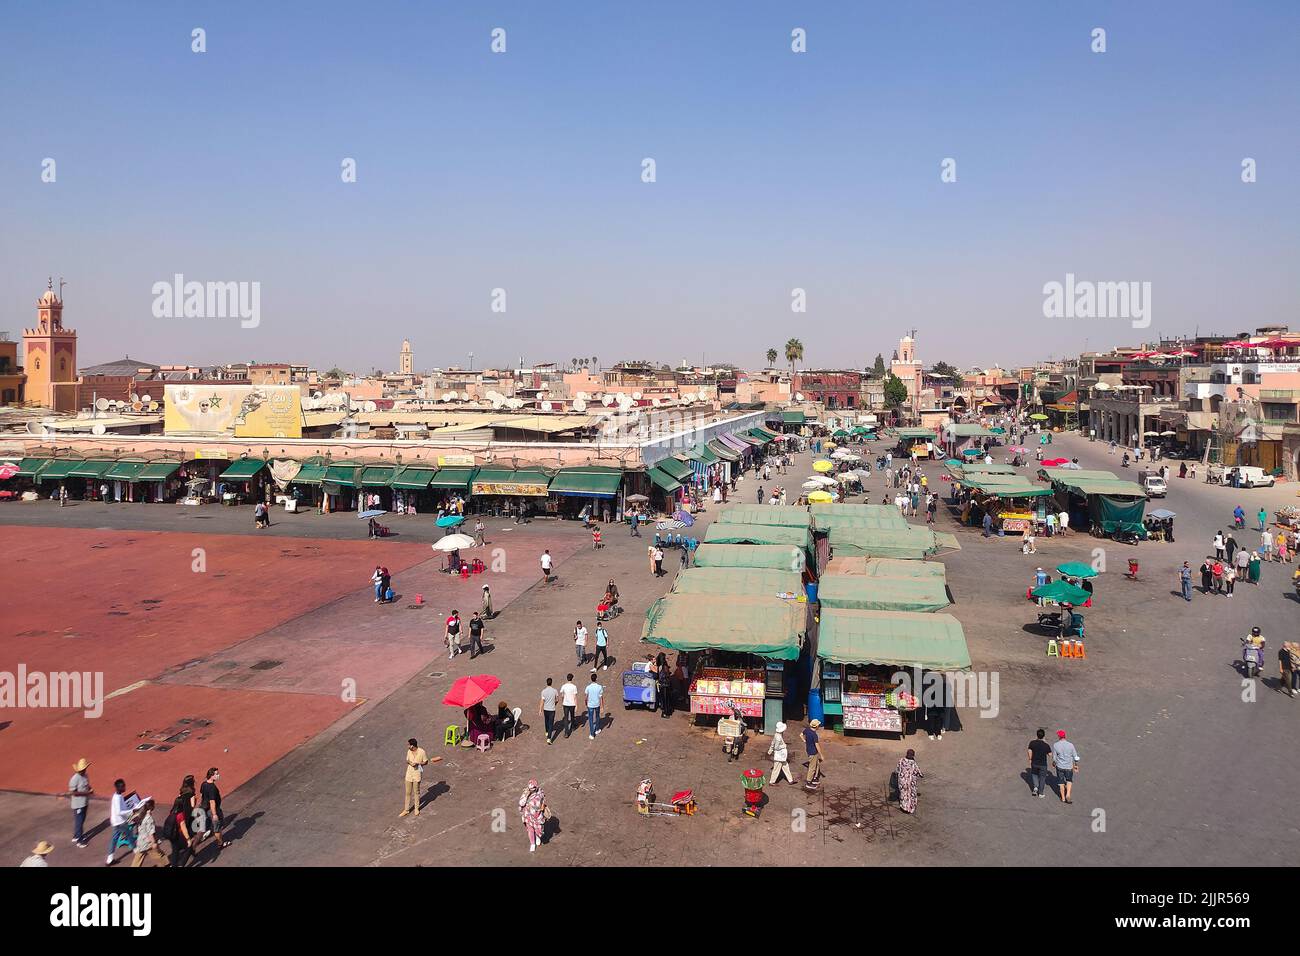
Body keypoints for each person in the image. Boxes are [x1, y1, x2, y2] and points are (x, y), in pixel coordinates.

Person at [401, 738, 439, 817]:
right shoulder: (409, 752)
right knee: (407, 793)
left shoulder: (422, 752)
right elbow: (407, 760)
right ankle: (406, 810)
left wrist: (418, 763)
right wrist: (410, 762)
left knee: (416, 792)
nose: (407, 746)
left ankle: (416, 809)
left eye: (408, 745)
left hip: (417, 774)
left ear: (412, 746)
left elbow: (426, 762)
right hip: (409, 774)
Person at [65, 758, 92, 848]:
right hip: (78, 804)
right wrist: (86, 793)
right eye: (81, 770)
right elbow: (73, 793)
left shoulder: (85, 775)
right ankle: (80, 841)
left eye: (84, 769)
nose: (83, 771)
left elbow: (87, 785)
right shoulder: (74, 779)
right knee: (79, 821)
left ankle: (76, 836)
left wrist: (90, 789)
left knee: (81, 820)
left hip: (84, 802)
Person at [1051, 730, 1080, 804]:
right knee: (1069, 780)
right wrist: (1076, 765)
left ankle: (1063, 798)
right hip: (1069, 767)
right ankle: (1068, 794)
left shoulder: (1056, 745)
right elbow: (1075, 757)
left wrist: (1054, 764)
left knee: (1061, 782)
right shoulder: (1070, 745)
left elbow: (1054, 758)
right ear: (1065, 736)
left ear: (1059, 736)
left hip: (1060, 766)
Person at [518, 780, 548, 853]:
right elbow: (521, 803)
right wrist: (526, 796)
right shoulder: (526, 793)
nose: (531, 789)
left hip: (537, 816)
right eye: (529, 788)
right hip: (528, 815)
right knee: (530, 830)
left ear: (536, 788)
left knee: (539, 830)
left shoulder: (540, 793)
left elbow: (539, 804)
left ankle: (538, 837)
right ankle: (532, 843)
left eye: (532, 788)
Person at [1027, 729, 1051, 797]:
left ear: (1037, 735)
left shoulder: (1032, 743)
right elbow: (1050, 754)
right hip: (1043, 764)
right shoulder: (1046, 745)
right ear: (1044, 736)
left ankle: (1035, 787)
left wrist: (1030, 759)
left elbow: (1029, 751)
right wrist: (1046, 743)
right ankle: (1040, 793)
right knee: (1042, 778)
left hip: (1034, 762)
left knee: (1034, 775)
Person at [802, 719, 825, 787]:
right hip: (813, 752)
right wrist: (821, 755)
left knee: (817, 764)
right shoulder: (814, 735)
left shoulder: (807, 730)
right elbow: (817, 745)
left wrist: (804, 740)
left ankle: (814, 778)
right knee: (812, 767)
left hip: (809, 750)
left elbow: (800, 735)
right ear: (816, 726)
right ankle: (808, 782)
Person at [584, 671, 604, 739]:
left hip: (590, 705)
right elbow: (601, 697)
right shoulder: (599, 687)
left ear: (591, 679)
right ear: (596, 679)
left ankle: (592, 734)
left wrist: (586, 702)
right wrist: (602, 706)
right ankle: (597, 729)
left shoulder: (588, 687)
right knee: (597, 717)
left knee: (590, 719)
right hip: (597, 704)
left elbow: (586, 697)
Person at [540, 678, 559, 744]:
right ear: (551, 683)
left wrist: (540, 709)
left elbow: (542, 701)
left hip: (546, 709)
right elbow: (557, 700)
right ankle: (549, 738)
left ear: (546, 683)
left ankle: (547, 731)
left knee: (546, 720)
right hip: (552, 709)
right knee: (551, 723)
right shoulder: (555, 691)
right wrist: (555, 703)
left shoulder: (543, 691)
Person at [560, 674, 579, 739]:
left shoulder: (563, 686)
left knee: (566, 717)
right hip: (572, 704)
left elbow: (562, 695)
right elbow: (575, 697)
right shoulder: (574, 686)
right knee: (572, 715)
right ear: (572, 678)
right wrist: (576, 705)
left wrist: (563, 702)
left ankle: (566, 732)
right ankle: (573, 726)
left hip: (565, 704)